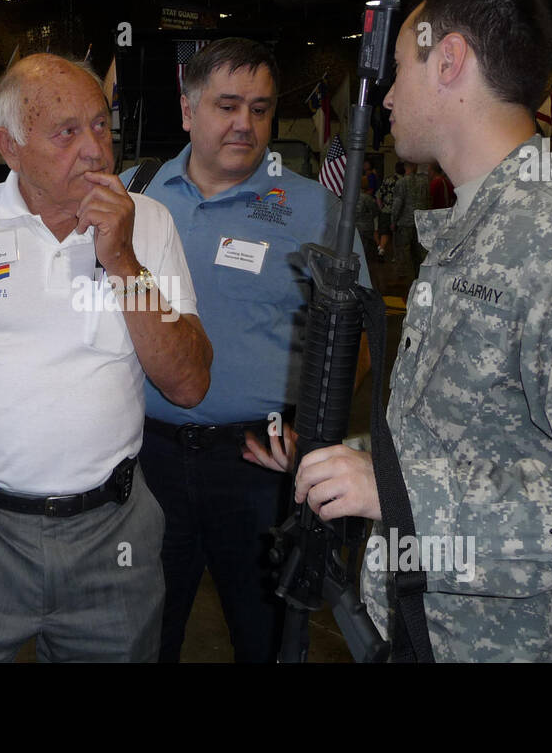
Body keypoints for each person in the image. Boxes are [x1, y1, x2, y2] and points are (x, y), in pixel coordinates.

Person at [247, 0, 552, 662]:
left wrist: (399, 494)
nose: (390, 96)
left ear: (451, 60)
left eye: (400, 70)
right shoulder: (476, 229)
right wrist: (348, 465)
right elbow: (475, 437)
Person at [0, 54, 213, 662]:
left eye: (101, 126)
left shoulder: (151, 225)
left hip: (113, 537)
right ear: (10, 145)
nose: (95, 151)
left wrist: (124, 262)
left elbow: (188, 384)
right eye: (67, 132)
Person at [121, 37, 372, 663]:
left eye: (260, 109)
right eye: (227, 105)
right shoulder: (133, 196)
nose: (245, 124)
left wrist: (308, 430)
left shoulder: (315, 210)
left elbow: (355, 345)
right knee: (143, 634)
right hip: (143, 459)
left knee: (267, 635)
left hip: (259, 464)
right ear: (186, 109)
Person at [389, 160, 430, 276]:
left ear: (405, 167)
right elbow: (428, 201)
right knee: (419, 253)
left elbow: (398, 204)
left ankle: (402, 278)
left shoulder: (401, 182)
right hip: (420, 222)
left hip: (404, 222)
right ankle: (420, 275)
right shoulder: (424, 182)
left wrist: (393, 221)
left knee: (402, 251)